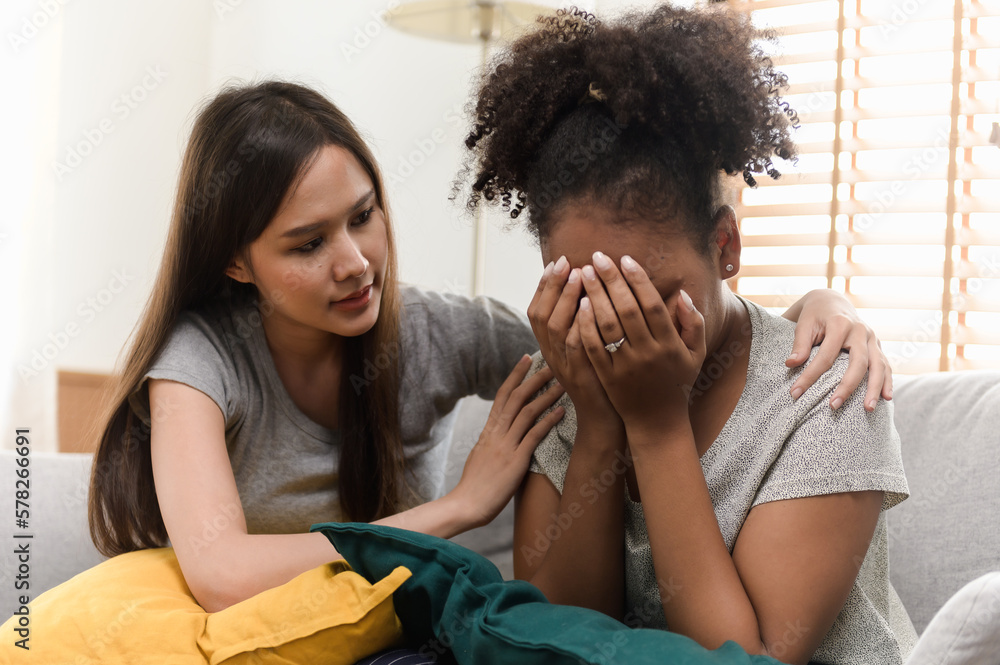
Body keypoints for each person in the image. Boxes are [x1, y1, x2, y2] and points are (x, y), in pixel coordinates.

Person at [88, 80, 890, 627]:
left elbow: (686, 332)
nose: (356, 262)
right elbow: (221, 572)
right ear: (236, 261)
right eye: (307, 243)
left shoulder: (437, 329)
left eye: (364, 215)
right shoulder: (199, 357)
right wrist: (459, 509)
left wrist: (821, 306)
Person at [461, 5, 917, 665]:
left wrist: (655, 424)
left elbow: (748, 656)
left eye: (650, 291)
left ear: (725, 246)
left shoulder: (827, 394)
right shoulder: (566, 381)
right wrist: (597, 425)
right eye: (588, 291)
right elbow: (557, 637)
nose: (618, 325)